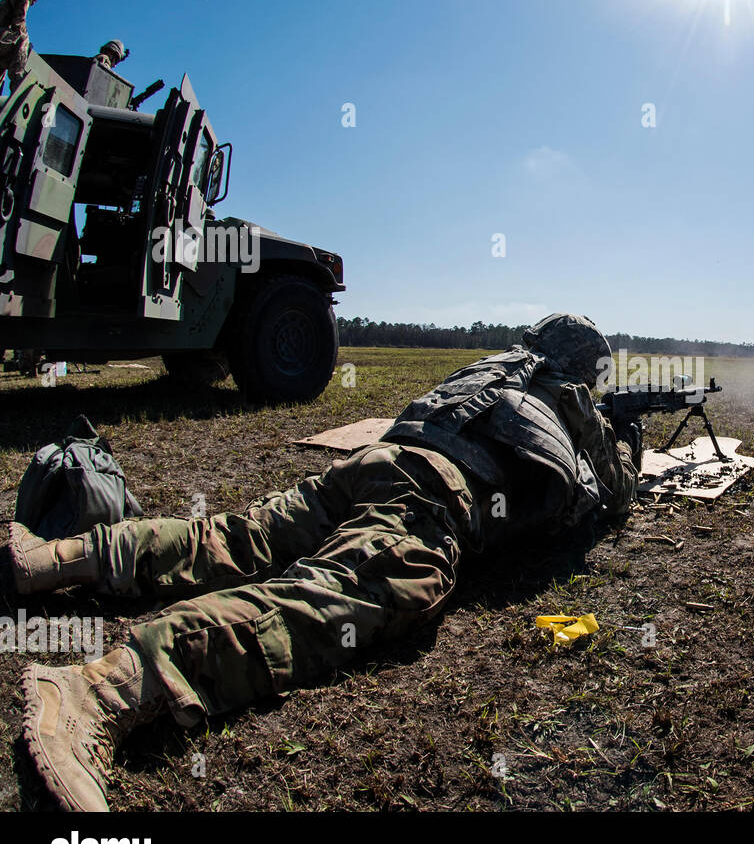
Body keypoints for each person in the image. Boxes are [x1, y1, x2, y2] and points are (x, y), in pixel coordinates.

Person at [10, 313, 641, 811]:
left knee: (236, 535)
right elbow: (612, 495)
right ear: (586, 370)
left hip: (376, 463)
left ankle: (55, 559)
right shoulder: (567, 395)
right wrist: (618, 436)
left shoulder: (496, 367)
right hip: (431, 495)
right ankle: (101, 690)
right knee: (336, 594)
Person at [0, 0, 49, 96]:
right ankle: (18, 85)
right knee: (23, 40)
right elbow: (19, 19)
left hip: (3, 34)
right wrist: (26, 41)